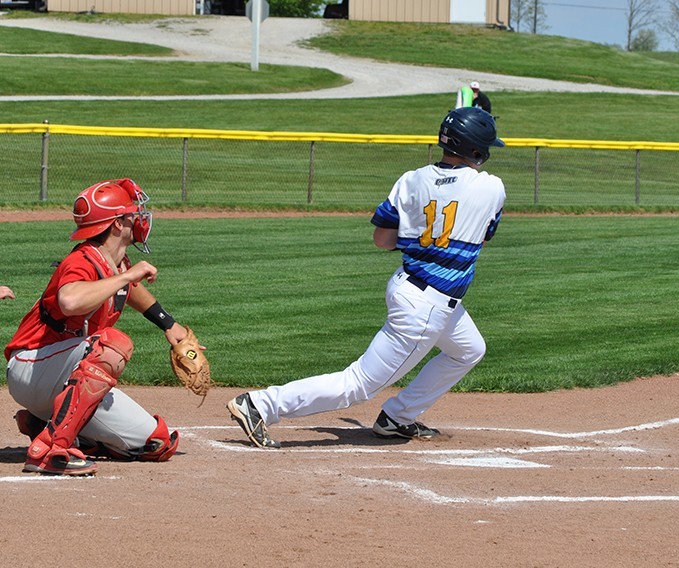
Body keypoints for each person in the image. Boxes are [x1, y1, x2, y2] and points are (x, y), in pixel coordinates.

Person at [227, 107, 506, 447]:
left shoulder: (411, 179)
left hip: (409, 286)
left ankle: (397, 417)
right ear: (477, 150)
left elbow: (382, 240)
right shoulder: (491, 188)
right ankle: (260, 404)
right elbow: (484, 237)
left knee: (469, 349)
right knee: (357, 383)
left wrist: (420, 239)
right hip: (426, 306)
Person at [5, 178, 194, 475]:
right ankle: (51, 449)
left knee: (156, 443)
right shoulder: (80, 260)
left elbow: (126, 290)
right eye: (133, 214)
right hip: (32, 366)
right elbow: (70, 300)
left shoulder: (115, 264)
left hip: (60, 376)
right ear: (117, 224)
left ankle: (43, 423)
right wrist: (126, 277)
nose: (140, 218)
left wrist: (169, 325)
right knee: (111, 343)